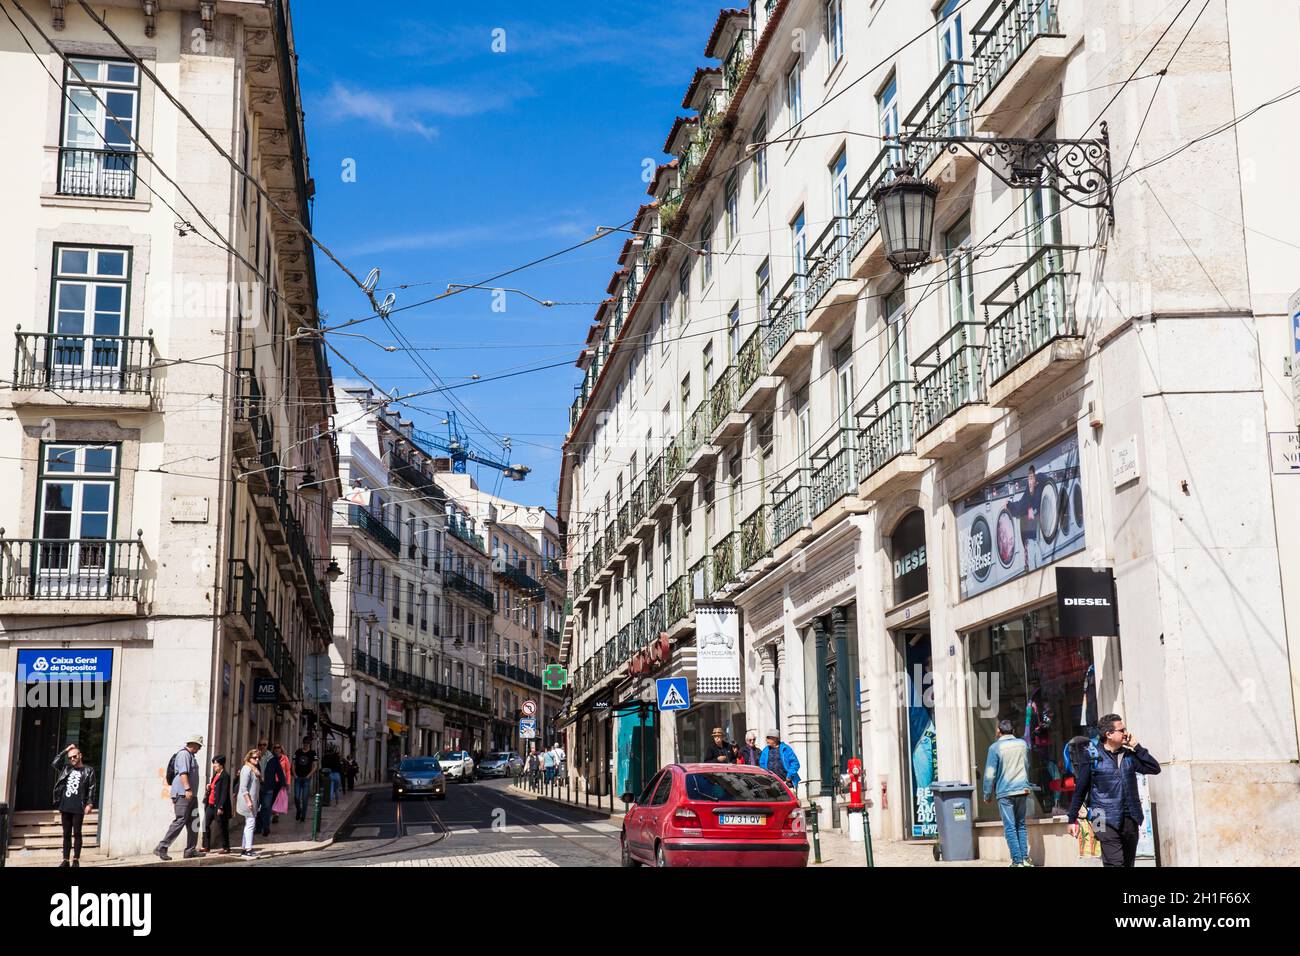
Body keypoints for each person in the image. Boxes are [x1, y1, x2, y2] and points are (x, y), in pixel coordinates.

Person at [1068, 714, 1161, 867]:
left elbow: (1154, 768)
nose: (1126, 733)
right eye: (1121, 730)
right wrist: (1072, 819)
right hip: (1100, 816)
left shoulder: (1129, 756)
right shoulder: (1092, 756)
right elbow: (1081, 789)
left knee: (1127, 863)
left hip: (1130, 816)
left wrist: (1137, 747)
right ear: (1109, 734)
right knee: (1115, 863)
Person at [982, 719, 1033, 867]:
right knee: (1021, 825)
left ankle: (1017, 862)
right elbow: (1027, 765)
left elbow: (989, 774)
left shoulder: (994, 748)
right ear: (1013, 730)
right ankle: (1025, 859)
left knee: (1010, 827)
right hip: (1022, 789)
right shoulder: (1023, 744)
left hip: (1005, 792)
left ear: (999, 731)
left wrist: (987, 794)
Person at [155, 732, 203, 861]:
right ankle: (162, 847)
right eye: (199, 746)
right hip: (183, 794)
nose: (199, 749)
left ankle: (190, 850)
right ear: (193, 744)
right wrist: (187, 789)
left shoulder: (191, 756)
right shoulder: (183, 754)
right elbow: (183, 773)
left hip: (191, 795)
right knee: (180, 820)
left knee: (194, 822)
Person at [51, 743, 95, 868]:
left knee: (77, 833)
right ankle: (65, 860)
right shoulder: (66, 768)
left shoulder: (88, 770)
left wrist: (90, 804)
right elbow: (55, 762)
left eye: (74, 756)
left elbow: (92, 788)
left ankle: (75, 859)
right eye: (70, 758)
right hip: (65, 805)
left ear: (80, 755)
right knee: (66, 834)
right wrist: (66, 750)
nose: (72, 759)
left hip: (78, 806)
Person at [202, 755, 232, 855]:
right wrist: (209, 787)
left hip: (218, 806)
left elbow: (224, 792)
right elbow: (214, 788)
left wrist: (221, 806)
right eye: (213, 763)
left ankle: (226, 847)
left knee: (222, 826)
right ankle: (206, 846)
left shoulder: (225, 776)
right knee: (205, 824)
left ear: (221, 764)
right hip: (210, 805)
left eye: (216, 763)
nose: (214, 765)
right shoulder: (216, 774)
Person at [235, 748, 262, 859]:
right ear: (249, 758)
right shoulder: (246, 769)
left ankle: (245, 849)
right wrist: (249, 801)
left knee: (248, 824)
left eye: (258, 758)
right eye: (254, 757)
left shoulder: (254, 769)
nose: (256, 759)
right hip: (248, 801)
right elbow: (243, 787)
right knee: (250, 824)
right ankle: (248, 850)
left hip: (253, 800)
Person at [257, 741, 286, 837]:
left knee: (266, 807)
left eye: (264, 745)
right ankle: (258, 827)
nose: (262, 746)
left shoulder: (273, 759)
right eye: (260, 745)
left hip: (269, 786)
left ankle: (265, 827)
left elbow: (280, 772)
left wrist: (282, 784)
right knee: (258, 807)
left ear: (267, 746)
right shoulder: (255, 757)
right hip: (257, 786)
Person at [291, 737, 318, 822]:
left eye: (307, 743)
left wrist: (309, 775)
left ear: (309, 744)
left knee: (305, 798)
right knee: (296, 797)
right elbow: (293, 763)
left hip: (306, 778)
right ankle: (299, 810)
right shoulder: (298, 752)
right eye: (304, 743)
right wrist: (294, 774)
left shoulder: (313, 753)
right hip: (298, 777)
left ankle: (303, 816)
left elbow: (315, 766)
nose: (306, 744)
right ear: (302, 743)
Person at [273, 744, 292, 819]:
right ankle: (275, 812)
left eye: (278, 747)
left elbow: (287, 771)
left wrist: (288, 782)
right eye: (275, 747)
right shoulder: (272, 758)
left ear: (281, 749)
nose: (277, 749)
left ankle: (276, 813)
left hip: (281, 781)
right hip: (273, 780)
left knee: (279, 797)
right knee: (274, 797)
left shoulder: (285, 758)